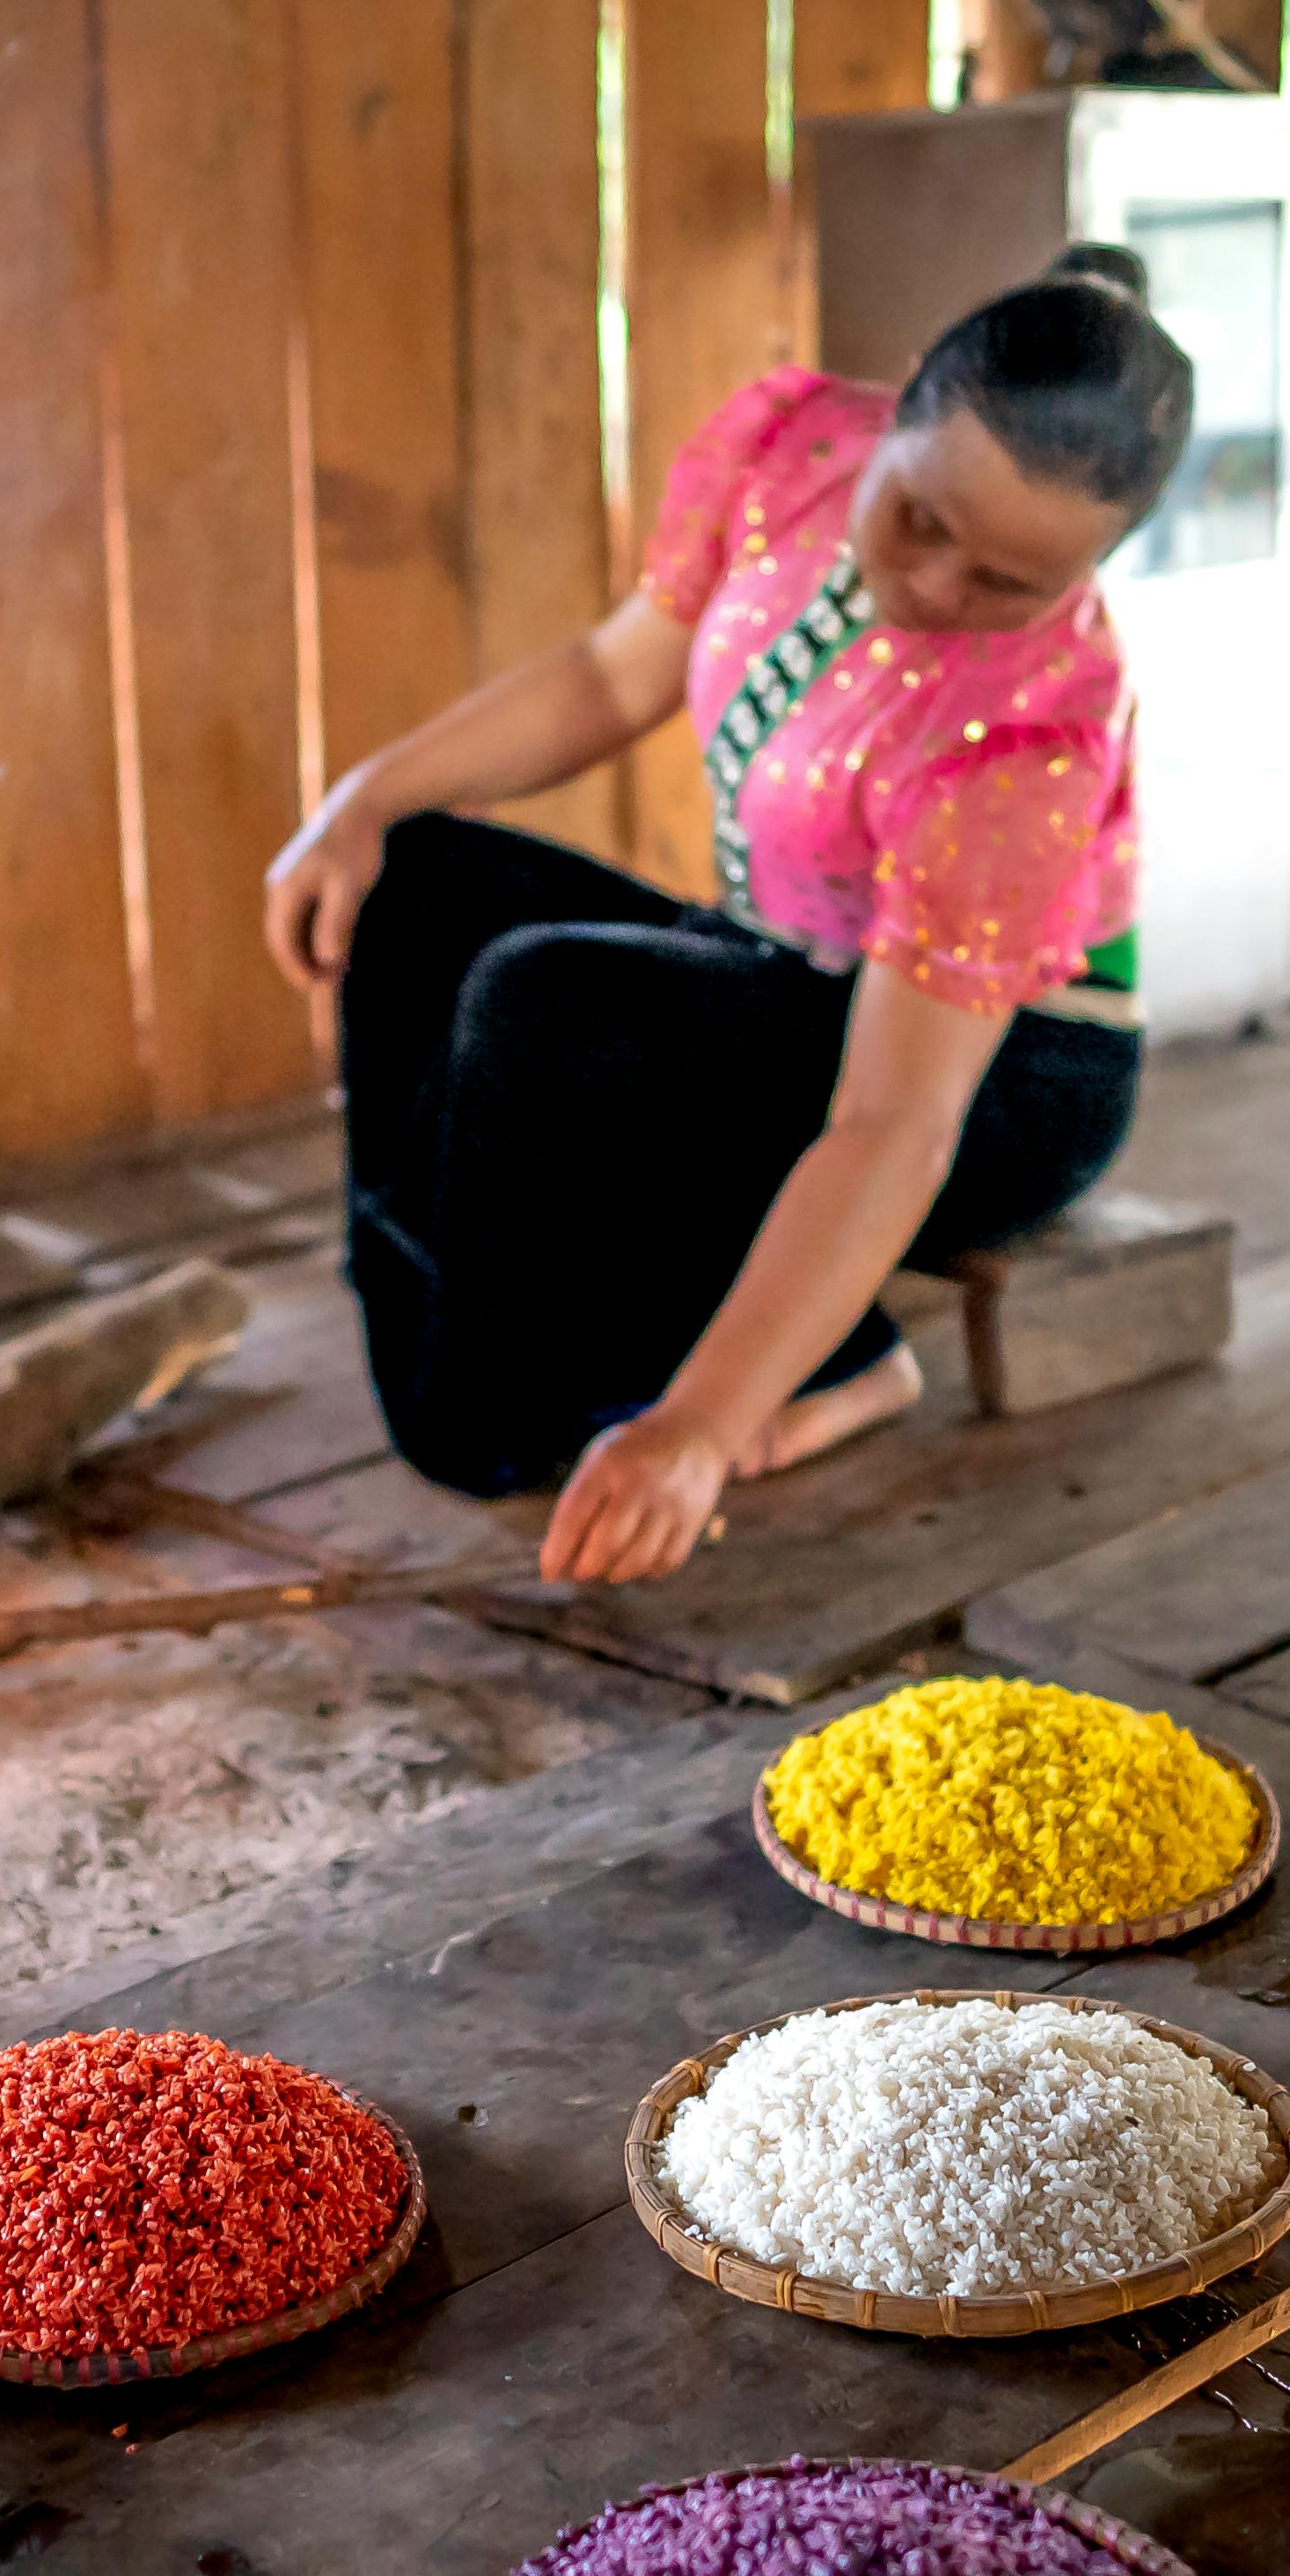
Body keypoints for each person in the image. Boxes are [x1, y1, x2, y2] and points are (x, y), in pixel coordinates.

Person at [264, 245, 1192, 1589]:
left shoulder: (1033, 730)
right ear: (895, 423)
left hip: (1005, 1077)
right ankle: (549, 1330)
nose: (937, 591)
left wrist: (697, 1428)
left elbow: (892, 1121)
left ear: (1091, 568)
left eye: (1009, 583)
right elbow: (603, 676)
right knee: (419, 878)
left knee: (544, 1007)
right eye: (921, 519)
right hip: (792, 965)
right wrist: (358, 798)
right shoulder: (791, 446)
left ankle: (765, 1368)